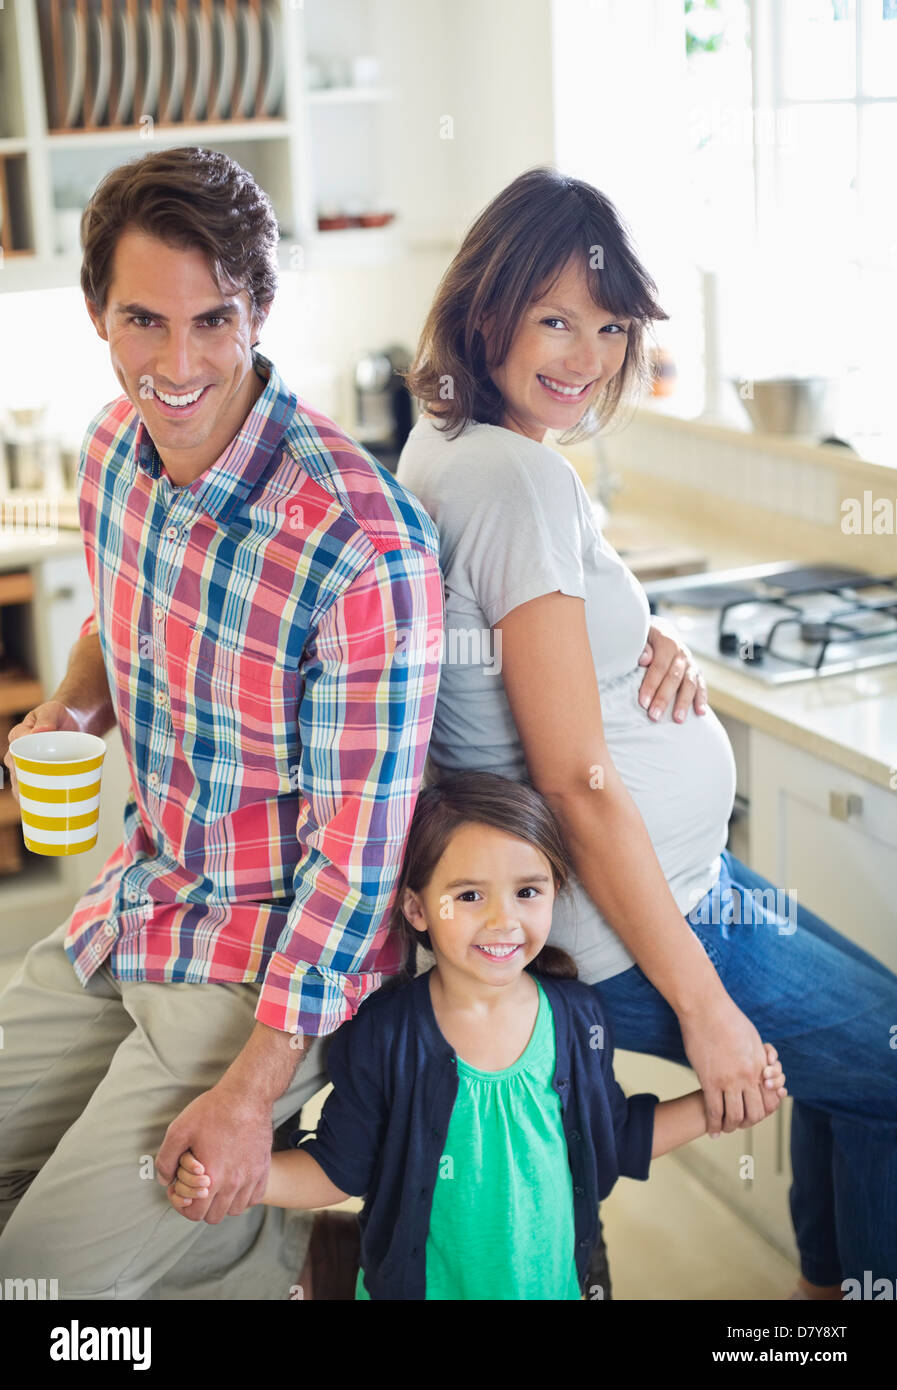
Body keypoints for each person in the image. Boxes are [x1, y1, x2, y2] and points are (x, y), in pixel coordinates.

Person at [393, 166, 897, 1299]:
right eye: (556, 318)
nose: (587, 355)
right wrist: (710, 1015)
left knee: (863, 1060)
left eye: (611, 325)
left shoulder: (447, 441)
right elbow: (573, 780)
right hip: (636, 915)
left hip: (661, 889)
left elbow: (523, 652)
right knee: (888, 1071)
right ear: (489, 311)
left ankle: (824, 1294)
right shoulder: (517, 481)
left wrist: (639, 637)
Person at [0, 146, 443, 1299]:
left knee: (39, 1282)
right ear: (97, 310)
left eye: (215, 320)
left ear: (262, 311)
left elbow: (357, 873)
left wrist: (253, 1097)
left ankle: (259, 1259)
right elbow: (115, 620)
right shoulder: (111, 454)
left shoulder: (361, 551)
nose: (179, 362)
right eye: (144, 319)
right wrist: (74, 703)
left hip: (260, 974)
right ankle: (240, 1259)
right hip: (137, 900)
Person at [165, 772, 787, 1300]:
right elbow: (340, 1169)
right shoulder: (384, 1034)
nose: (503, 920)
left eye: (526, 892)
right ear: (416, 909)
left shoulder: (579, 1019)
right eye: (468, 895)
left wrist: (716, 1108)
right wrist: (240, 1177)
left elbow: (613, 1140)